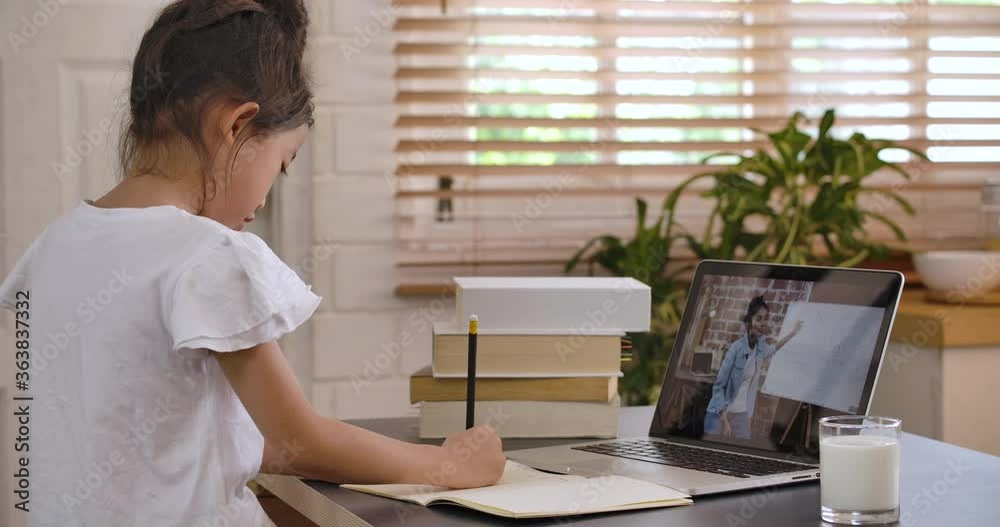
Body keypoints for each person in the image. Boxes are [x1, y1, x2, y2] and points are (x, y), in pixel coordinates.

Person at [0, 1, 504, 525]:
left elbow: (141, 437)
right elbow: (295, 440)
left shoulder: (52, 246)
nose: (265, 198)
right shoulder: (209, 255)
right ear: (237, 125)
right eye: (281, 164)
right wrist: (446, 464)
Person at [703, 295, 804, 440]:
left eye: (765, 318)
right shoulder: (736, 348)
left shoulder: (761, 346)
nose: (763, 323)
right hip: (719, 412)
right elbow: (719, 386)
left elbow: (772, 349)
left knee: (743, 447)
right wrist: (724, 420)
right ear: (750, 321)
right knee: (713, 447)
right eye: (758, 319)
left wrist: (793, 332)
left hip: (741, 413)